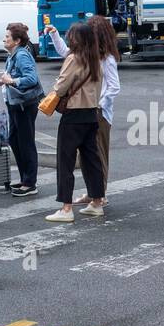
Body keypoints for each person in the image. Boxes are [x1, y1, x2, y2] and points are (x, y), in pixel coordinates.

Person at [45, 15, 120, 204]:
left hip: (98, 112)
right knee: (89, 156)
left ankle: (99, 196)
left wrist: (100, 104)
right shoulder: (89, 56)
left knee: (96, 156)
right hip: (91, 110)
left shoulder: (105, 59)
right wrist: (54, 35)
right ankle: (94, 195)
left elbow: (113, 87)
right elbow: (65, 52)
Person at [0, 22, 44, 196]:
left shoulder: (21, 55)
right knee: (15, 139)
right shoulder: (12, 55)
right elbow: (12, 77)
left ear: (16, 41)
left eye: (7, 37)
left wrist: (12, 82)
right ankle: (26, 178)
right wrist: (4, 81)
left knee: (25, 142)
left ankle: (30, 182)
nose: (4, 39)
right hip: (15, 103)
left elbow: (31, 79)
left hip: (25, 104)